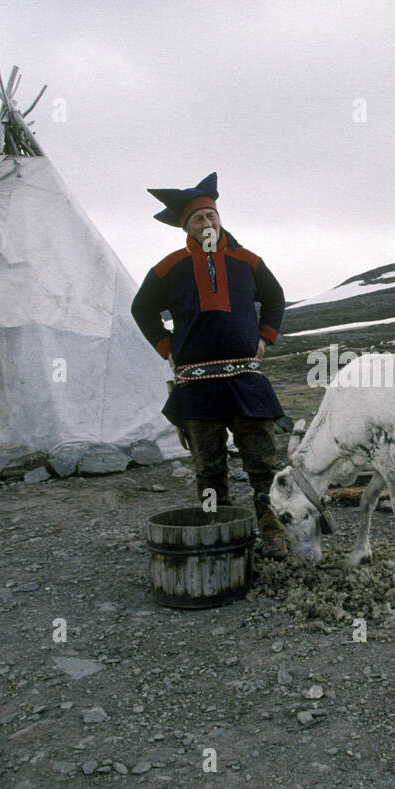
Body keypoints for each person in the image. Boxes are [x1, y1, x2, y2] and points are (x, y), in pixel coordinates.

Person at [131, 173, 289, 558]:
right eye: (198, 218)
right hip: (197, 386)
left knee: (263, 464)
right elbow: (142, 308)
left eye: (211, 216)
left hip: (245, 380)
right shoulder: (168, 268)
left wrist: (265, 336)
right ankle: (215, 529)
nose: (207, 223)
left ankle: (273, 530)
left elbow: (275, 297)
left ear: (220, 218)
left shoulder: (247, 260)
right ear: (185, 226)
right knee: (208, 469)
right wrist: (165, 346)